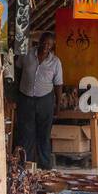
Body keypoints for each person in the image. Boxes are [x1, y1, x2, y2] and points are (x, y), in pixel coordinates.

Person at [17, 32, 63, 168]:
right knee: (26, 133)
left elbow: (58, 85)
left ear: (52, 46)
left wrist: (57, 106)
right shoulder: (26, 55)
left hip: (45, 100)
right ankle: (26, 164)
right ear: (39, 41)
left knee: (44, 133)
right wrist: (14, 94)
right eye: (44, 42)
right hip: (26, 98)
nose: (46, 46)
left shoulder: (55, 62)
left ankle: (44, 165)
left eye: (49, 44)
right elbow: (18, 71)